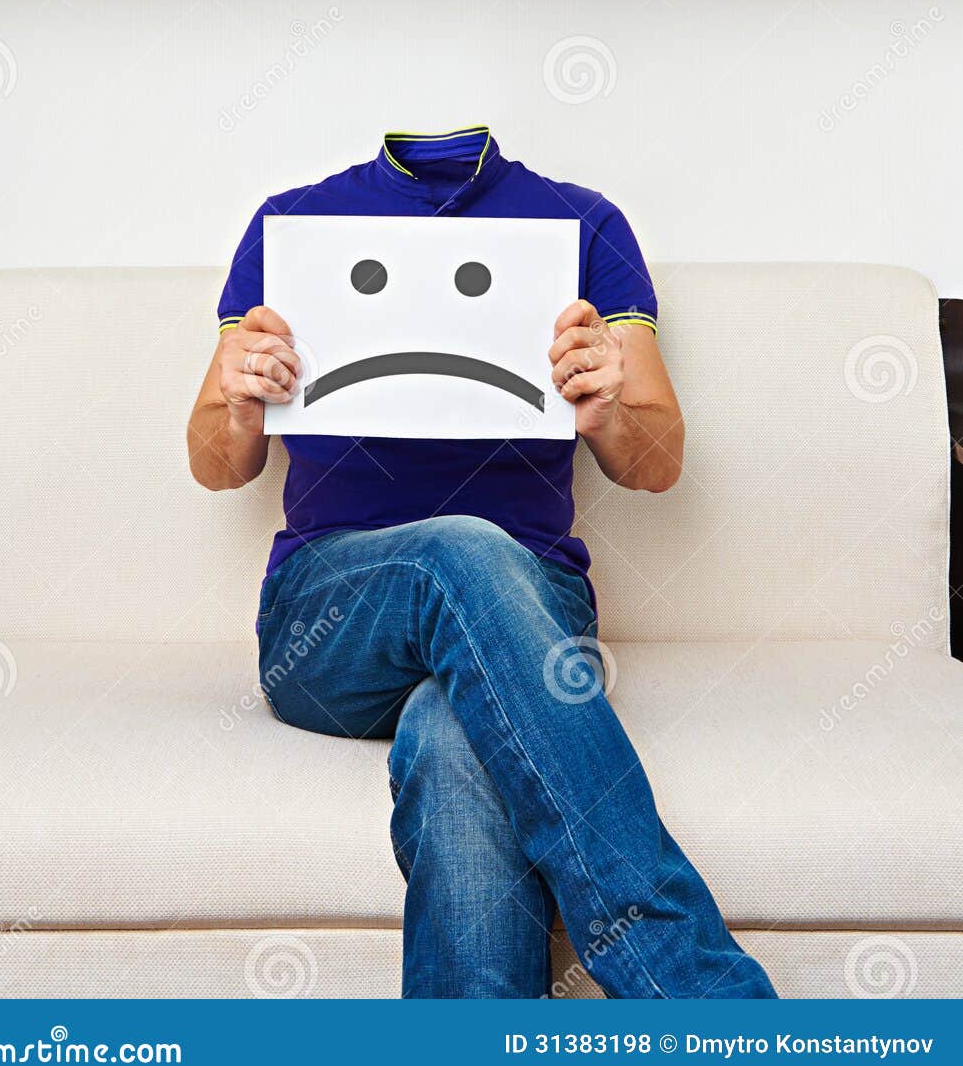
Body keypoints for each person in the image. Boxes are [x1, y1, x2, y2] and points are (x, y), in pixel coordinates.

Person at [188, 126, 775, 1000]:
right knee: (457, 547)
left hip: (527, 613)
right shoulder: (292, 224)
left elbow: (656, 465)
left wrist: (609, 405)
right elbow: (215, 464)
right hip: (327, 620)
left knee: (451, 732)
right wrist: (237, 401)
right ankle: (702, 999)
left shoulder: (585, 225)